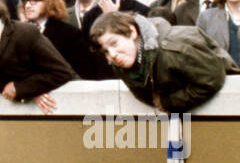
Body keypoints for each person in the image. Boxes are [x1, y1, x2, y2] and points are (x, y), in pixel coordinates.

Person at [90, 11, 229, 111]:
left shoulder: (173, 49)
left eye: (114, 43)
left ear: (132, 32)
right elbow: (146, 95)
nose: (112, 55)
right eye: (105, 52)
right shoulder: (122, 60)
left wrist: (169, 102)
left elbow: (213, 79)